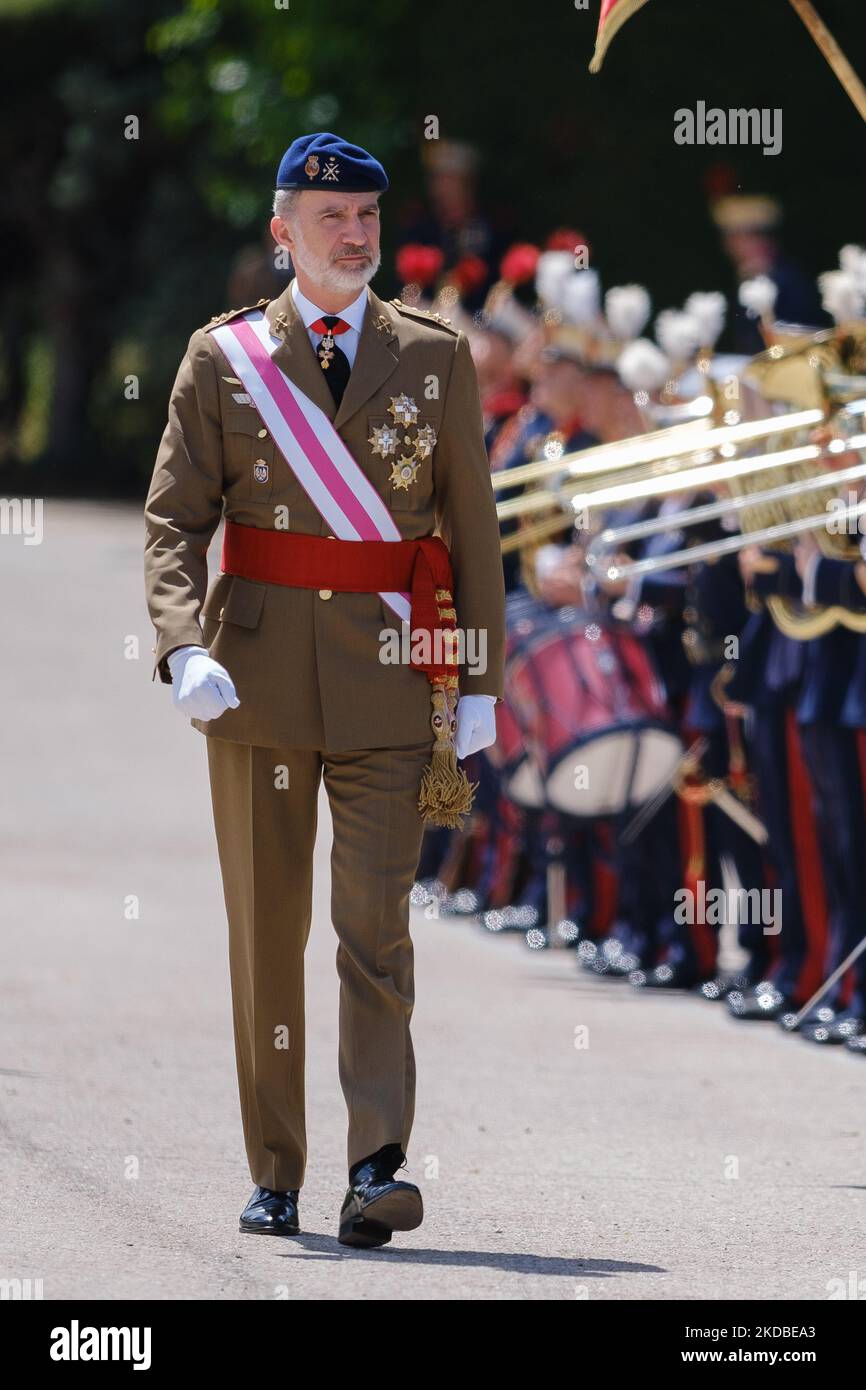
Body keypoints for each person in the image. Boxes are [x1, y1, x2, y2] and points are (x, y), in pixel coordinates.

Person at [144, 131, 506, 1248]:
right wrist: (175, 645)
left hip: (395, 680)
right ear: (283, 232)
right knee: (265, 933)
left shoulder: (434, 356)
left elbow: (472, 530)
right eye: (330, 218)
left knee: (373, 931)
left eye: (365, 219)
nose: (354, 237)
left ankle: (377, 1165)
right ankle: (275, 1169)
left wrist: (480, 680)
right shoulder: (224, 359)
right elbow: (173, 522)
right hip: (250, 679)